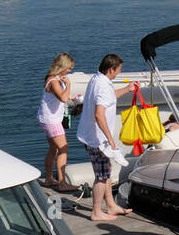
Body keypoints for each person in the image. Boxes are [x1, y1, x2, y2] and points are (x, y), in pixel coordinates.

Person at [76, 54, 136, 223]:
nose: (119, 72)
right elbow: (99, 114)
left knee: (106, 170)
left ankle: (110, 205)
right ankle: (96, 212)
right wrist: (110, 139)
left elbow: (109, 98)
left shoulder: (97, 79)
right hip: (98, 139)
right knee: (101, 176)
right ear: (111, 69)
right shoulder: (102, 85)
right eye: (119, 70)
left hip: (90, 135)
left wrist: (127, 89)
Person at [38, 53, 76, 191]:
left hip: (46, 119)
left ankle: (49, 179)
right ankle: (62, 183)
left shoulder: (51, 79)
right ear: (62, 67)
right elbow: (63, 99)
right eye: (69, 68)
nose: (69, 71)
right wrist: (69, 86)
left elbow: (59, 96)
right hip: (52, 122)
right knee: (63, 149)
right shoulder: (54, 81)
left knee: (53, 149)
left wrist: (70, 95)